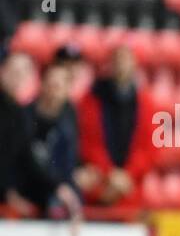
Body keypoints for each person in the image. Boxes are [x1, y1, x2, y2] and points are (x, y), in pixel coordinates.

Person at [77, 45, 162, 209]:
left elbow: (149, 149)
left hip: (129, 190)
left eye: (125, 59)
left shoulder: (146, 103)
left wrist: (127, 175)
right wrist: (110, 173)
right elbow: (87, 142)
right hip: (98, 187)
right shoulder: (91, 100)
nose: (121, 64)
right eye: (116, 59)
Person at [1, 54, 81, 218]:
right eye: (52, 83)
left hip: (49, 193)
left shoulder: (70, 116)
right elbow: (21, 156)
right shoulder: (20, 114)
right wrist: (8, 191)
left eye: (59, 85)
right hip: (24, 193)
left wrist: (69, 193)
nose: (54, 89)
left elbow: (69, 163)